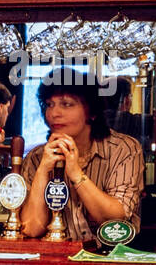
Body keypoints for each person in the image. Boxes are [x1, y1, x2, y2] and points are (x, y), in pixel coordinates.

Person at [20, 74, 144, 247]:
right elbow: (32, 228)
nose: (54, 113)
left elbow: (115, 219)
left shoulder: (123, 149)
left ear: (91, 112)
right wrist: (43, 170)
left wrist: (76, 173)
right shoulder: (36, 157)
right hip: (54, 263)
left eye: (67, 104)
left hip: (110, 261)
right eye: (49, 105)